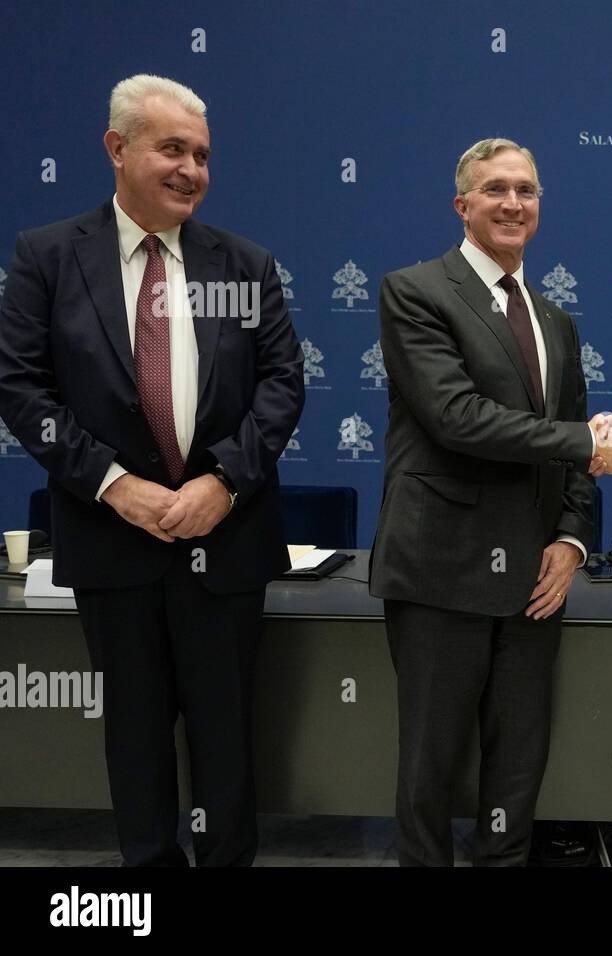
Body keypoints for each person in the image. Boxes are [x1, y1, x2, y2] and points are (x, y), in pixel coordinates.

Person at [0, 74, 304, 866]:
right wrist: (113, 484)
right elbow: (20, 387)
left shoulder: (242, 265)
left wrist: (224, 482)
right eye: (173, 149)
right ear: (117, 148)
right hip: (112, 540)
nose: (191, 169)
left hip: (224, 538)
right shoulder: (47, 258)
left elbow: (281, 385)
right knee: (134, 740)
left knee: (226, 738)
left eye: (202, 155)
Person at [370, 138, 612, 866]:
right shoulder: (415, 291)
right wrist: (585, 442)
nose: (513, 203)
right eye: (495, 190)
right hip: (441, 571)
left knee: (517, 770)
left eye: (526, 190)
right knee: (429, 771)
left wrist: (571, 539)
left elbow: (571, 454)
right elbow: (456, 418)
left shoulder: (555, 321)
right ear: (463, 206)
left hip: (534, 578)